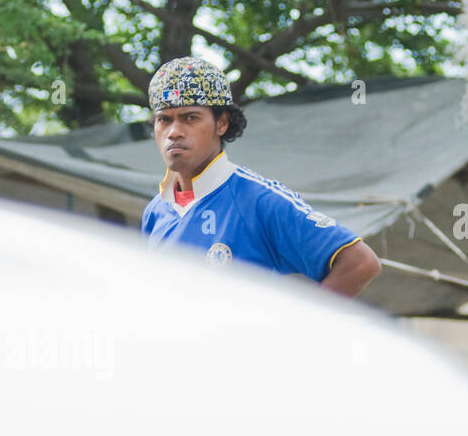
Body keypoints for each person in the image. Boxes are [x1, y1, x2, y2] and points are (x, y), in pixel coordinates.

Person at [139, 56, 381, 298]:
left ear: (221, 123)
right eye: (164, 119)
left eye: (190, 118)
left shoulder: (257, 198)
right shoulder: (155, 212)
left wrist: (307, 331)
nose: (174, 132)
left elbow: (360, 263)